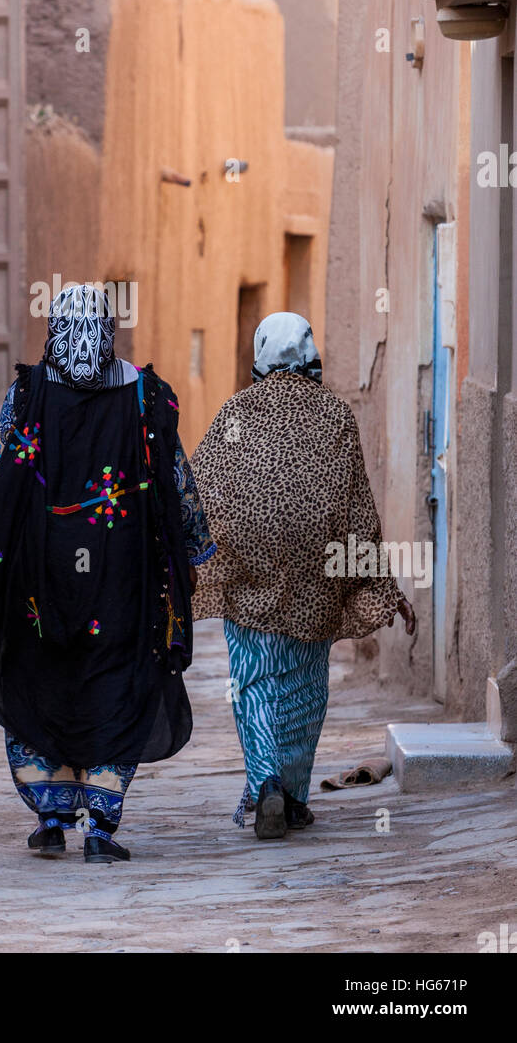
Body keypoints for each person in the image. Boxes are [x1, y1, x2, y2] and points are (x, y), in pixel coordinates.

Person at [0, 283, 214, 864]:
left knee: (44, 677)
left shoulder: (29, 394)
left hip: (40, 579)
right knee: (117, 681)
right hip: (124, 579)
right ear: (110, 327)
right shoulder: (145, 396)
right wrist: (195, 545)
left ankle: (52, 816)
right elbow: (176, 480)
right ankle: (101, 829)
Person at [190, 311, 416, 841]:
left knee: (253, 680)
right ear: (310, 354)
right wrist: (380, 585)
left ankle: (266, 781)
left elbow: (198, 490)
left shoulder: (234, 413)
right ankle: (293, 797)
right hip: (317, 570)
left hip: (250, 570)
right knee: (304, 686)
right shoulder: (335, 415)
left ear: (261, 355)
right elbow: (357, 509)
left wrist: (178, 564)